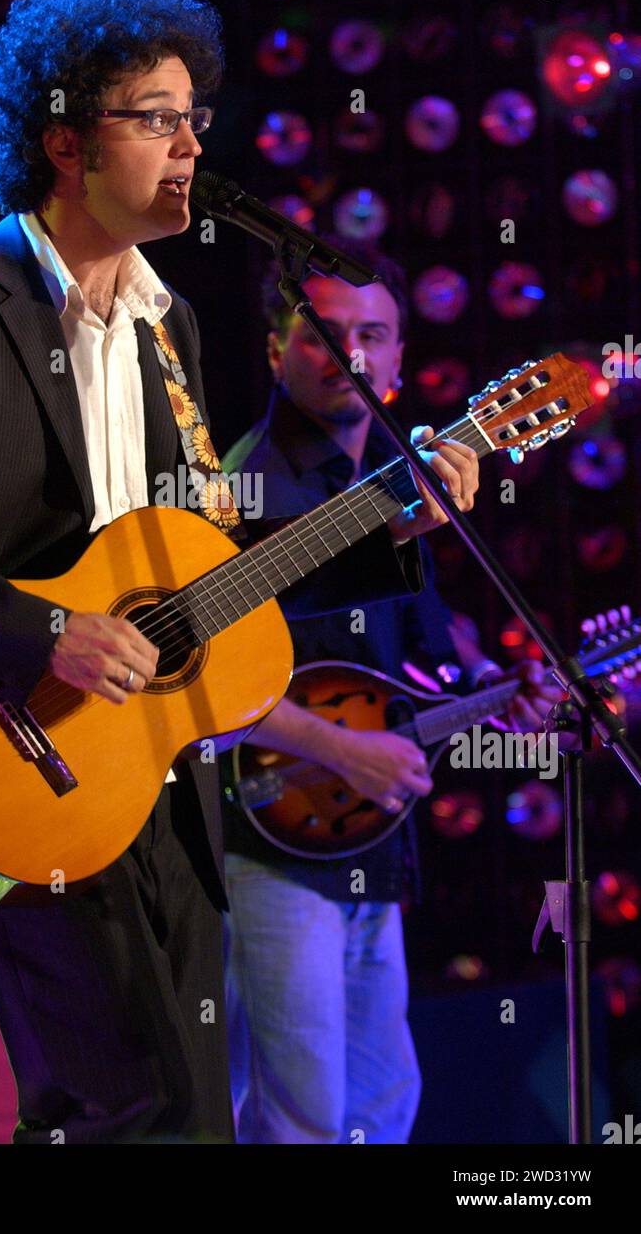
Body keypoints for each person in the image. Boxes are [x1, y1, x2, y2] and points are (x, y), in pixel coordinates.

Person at [0, 0, 476, 1144]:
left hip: (160, 779)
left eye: (194, 117)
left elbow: (194, 562)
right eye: (156, 117)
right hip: (10, 755)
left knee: (183, 1119)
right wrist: (48, 631)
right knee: (124, 1113)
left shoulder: (171, 326)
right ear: (62, 140)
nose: (189, 142)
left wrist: (382, 522)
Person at [221, 245, 552, 1145]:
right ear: (274, 350)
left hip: (365, 833)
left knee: (377, 1102)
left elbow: (406, 669)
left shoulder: (383, 488)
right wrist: (342, 749)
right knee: (300, 1115)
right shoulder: (245, 483)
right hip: (271, 842)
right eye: (323, 334)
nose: (349, 354)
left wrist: (491, 692)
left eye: (372, 334)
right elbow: (206, 680)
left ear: (401, 358)